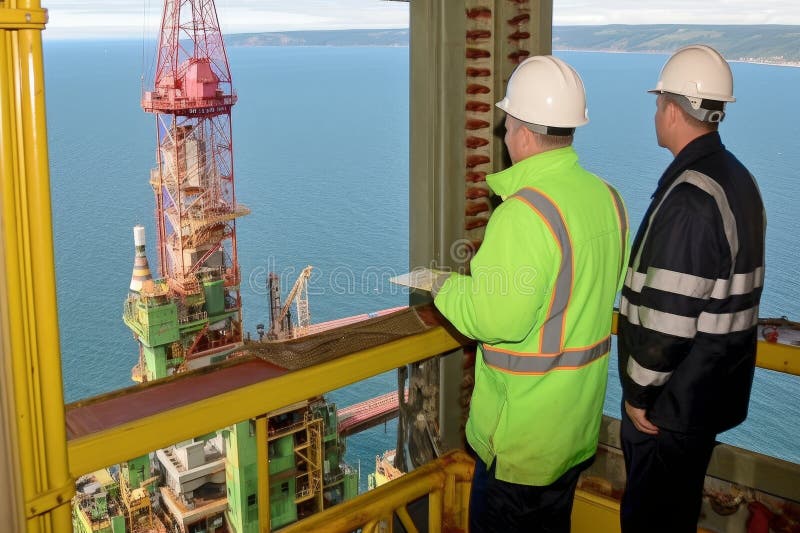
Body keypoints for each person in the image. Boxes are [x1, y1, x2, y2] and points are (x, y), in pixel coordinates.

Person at [430, 55, 629, 533]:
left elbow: (498, 320)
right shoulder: (608, 198)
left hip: (521, 442)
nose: (503, 137)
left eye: (506, 126)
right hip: (572, 432)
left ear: (520, 130)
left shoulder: (523, 214)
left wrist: (444, 286)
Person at [617, 44, 766, 533]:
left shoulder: (691, 199)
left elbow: (667, 319)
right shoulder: (738, 179)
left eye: (659, 101)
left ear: (674, 109)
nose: (655, 111)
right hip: (706, 395)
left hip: (669, 411)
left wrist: (639, 395)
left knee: (652, 521)